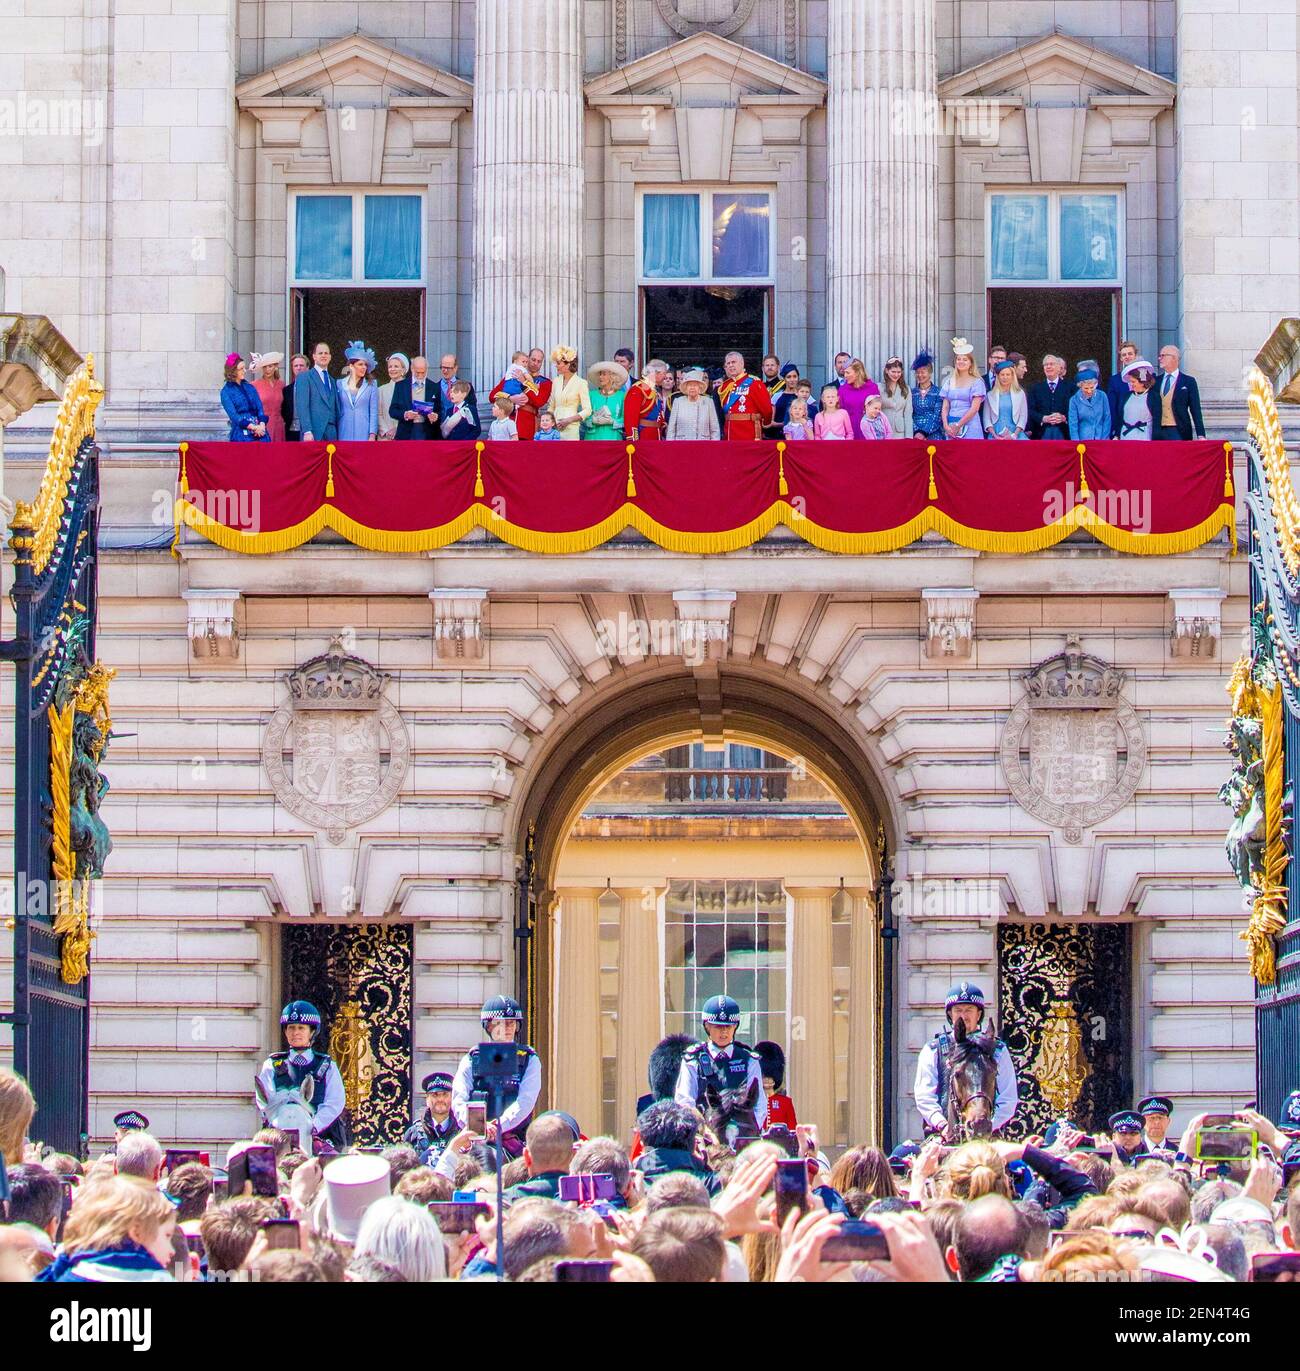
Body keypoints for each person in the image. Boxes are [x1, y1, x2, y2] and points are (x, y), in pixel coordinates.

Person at [912, 982, 1018, 1137]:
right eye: (958, 1010)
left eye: (969, 1010)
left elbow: (1008, 1098)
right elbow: (924, 1096)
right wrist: (942, 1125)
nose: (963, 1015)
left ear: (979, 1014)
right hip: (943, 1136)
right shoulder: (934, 1050)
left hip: (989, 1135)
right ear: (950, 1014)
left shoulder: (997, 1050)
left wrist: (989, 1125)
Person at [37, 1176, 177, 1283]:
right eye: (167, 1235)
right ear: (136, 1231)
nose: (172, 1250)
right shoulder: (161, 1278)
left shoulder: (65, 1274)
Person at [451, 995, 541, 1160]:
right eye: (499, 1023)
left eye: (511, 1023)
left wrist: (499, 1125)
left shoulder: (529, 1059)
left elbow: (526, 1101)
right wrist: (479, 1126)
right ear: (488, 1026)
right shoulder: (472, 1058)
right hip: (475, 1137)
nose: (506, 1028)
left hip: (514, 1138)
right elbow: (459, 1098)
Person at [256, 1000, 347, 1150]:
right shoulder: (271, 1064)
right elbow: (265, 1101)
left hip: (319, 1134)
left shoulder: (327, 1066)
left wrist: (312, 1126)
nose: (295, 1032)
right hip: (279, 1134)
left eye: (301, 1028)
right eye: (291, 1028)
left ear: (312, 1031)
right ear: (285, 1031)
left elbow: (334, 1102)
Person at [674, 994, 766, 1132]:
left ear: (735, 1026)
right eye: (718, 1026)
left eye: (728, 1027)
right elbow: (684, 1102)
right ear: (707, 1026)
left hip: (742, 1134)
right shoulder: (693, 1060)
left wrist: (746, 1133)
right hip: (704, 1134)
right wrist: (705, 1133)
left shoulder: (749, 1060)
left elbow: (759, 1105)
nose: (724, 1032)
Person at [491, 349, 552, 441]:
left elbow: (539, 402)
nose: (535, 363)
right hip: (508, 422)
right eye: (533, 359)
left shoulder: (545, 382)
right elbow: (492, 396)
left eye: (539, 361)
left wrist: (524, 382)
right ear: (528, 359)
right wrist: (510, 398)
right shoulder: (512, 375)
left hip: (526, 424)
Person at [403, 1072, 458, 1165]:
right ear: (427, 1099)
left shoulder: (461, 1131)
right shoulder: (414, 1133)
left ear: (452, 1098)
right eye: (435, 1095)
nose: (440, 1099)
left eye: (445, 1094)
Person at [1154, 344, 1206, 439]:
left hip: (1179, 430)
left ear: (1174, 358)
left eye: (1163, 355)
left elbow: (1195, 409)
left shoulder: (1188, 381)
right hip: (1157, 431)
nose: (1159, 358)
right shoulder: (1155, 381)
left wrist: (1201, 434)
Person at [293, 341, 341, 443]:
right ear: (314, 357)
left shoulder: (332, 380)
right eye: (320, 353)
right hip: (313, 433)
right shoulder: (305, 377)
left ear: (330, 357)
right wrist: (307, 431)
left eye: (326, 353)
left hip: (331, 433)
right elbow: (302, 406)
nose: (323, 355)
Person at [718, 351, 773, 440]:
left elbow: (766, 409)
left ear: (742, 363)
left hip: (749, 432)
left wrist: (766, 423)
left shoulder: (754, 383)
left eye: (734, 362)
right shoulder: (725, 386)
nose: (731, 365)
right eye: (728, 363)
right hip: (729, 433)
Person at [939, 340, 986, 440]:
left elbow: (974, 409)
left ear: (970, 363)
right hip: (951, 426)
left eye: (965, 359)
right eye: (959, 359)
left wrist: (959, 425)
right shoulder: (949, 381)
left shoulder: (977, 382)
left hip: (970, 426)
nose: (961, 362)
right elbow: (945, 406)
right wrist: (946, 425)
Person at [219, 354, 269, 442]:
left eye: (244, 368)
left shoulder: (250, 387)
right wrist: (253, 427)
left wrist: (261, 425)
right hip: (241, 433)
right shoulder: (226, 392)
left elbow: (259, 407)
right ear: (232, 371)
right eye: (241, 369)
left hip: (260, 430)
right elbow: (234, 416)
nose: (245, 371)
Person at [389, 355, 439, 441]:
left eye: (423, 373)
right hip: (406, 432)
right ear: (412, 369)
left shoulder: (434, 387)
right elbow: (392, 411)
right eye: (417, 372)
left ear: (427, 370)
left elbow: (439, 410)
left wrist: (435, 416)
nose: (420, 376)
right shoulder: (401, 386)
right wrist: (405, 415)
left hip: (427, 432)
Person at [337, 341, 379, 441]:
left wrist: (372, 435)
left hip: (364, 432)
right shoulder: (339, 383)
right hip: (344, 430)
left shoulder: (372, 384)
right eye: (360, 364)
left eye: (365, 365)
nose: (364, 367)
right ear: (351, 366)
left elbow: (373, 411)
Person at [548, 345, 591, 440]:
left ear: (567, 364)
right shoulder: (555, 381)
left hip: (571, 428)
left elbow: (588, 410)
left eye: (558, 363)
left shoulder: (581, 383)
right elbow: (551, 407)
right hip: (553, 429)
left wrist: (568, 420)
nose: (556, 365)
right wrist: (549, 422)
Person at [665, 367, 720, 441]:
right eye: (689, 385)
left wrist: (714, 448)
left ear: (700, 387)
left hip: (704, 446)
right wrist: (671, 448)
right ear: (686, 387)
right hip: (682, 445)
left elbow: (715, 430)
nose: (692, 388)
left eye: (695, 385)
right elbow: (671, 430)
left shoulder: (708, 402)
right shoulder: (677, 402)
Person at [1028, 354, 1074, 440]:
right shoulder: (1035, 388)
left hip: (1065, 433)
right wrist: (1043, 418)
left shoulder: (1071, 387)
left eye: (1051, 364)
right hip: (1041, 433)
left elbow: (1076, 410)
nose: (1048, 366)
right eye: (1046, 365)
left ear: (1059, 368)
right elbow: (1030, 410)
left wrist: (1064, 418)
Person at [755, 1041, 797, 1131]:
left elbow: (792, 1132)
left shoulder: (785, 1103)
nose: (766, 1080)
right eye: (764, 1076)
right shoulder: (751, 1103)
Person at [982, 359, 1027, 439]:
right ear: (998, 376)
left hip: (1016, 434)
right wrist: (994, 435)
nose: (1005, 377)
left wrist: (1014, 435)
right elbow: (986, 418)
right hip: (995, 434)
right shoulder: (990, 395)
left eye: (1008, 374)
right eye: (1002, 374)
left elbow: (1023, 416)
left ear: (1012, 376)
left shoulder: (1020, 394)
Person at [583, 361, 628, 439]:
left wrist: (612, 421)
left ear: (613, 376)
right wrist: (592, 420)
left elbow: (627, 420)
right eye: (600, 374)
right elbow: (583, 418)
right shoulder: (591, 395)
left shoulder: (622, 396)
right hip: (592, 439)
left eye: (604, 374)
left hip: (614, 438)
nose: (600, 377)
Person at [837, 358, 880, 439]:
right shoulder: (842, 390)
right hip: (849, 434)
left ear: (857, 372)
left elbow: (877, 412)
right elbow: (839, 414)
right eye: (844, 372)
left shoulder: (873, 388)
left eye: (848, 372)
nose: (845, 375)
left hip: (869, 433)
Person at [1116, 358, 1158, 440]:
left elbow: (1157, 421)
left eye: (1133, 382)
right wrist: (1117, 435)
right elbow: (1120, 418)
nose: (1131, 384)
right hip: (1125, 436)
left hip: (1144, 437)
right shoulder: (1126, 396)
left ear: (1142, 382)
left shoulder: (1153, 397)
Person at [624, 362, 668, 440]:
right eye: (663, 374)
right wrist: (633, 440)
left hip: (656, 436)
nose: (665, 377)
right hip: (643, 437)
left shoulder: (654, 390)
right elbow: (630, 418)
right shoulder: (637, 390)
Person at [249, 352, 286, 442]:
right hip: (262, 425)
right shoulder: (254, 385)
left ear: (276, 366)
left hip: (279, 425)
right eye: (264, 367)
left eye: (270, 366)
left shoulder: (282, 385)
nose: (267, 370)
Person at [1068, 366, 1112, 441]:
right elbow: (1073, 424)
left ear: (1096, 384)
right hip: (1083, 439)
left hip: (1101, 438)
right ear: (1080, 386)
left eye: (1092, 387)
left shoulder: (1102, 396)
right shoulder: (1074, 400)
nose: (1089, 391)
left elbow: (1107, 418)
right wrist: (1076, 443)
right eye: (1086, 388)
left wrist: (1104, 439)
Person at [911, 352, 943, 441]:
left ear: (930, 373)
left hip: (934, 436)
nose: (920, 375)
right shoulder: (911, 393)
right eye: (917, 372)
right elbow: (909, 414)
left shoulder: (938, 392)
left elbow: (938, 416)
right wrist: (916, 432)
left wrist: (924, 432)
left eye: (923, 372)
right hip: (915, 436)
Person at [376, 353, 408, 440]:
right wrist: (386, 431)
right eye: (390, 367)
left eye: (396, 366)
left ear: (404, 370)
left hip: (404, 437)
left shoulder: (410, 389)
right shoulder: (380, 390)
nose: (392, 369)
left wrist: (398, 430)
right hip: (386, 438)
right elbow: (378, 414)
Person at [1106, 340, 1139, 424]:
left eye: (1130, 354)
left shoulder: (1147, 376)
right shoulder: (1115, 381)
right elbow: (1113, 408)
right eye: (1124, 355)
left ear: (1136, 355)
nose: (1127, 357)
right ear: (1121, 358)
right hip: (1123, 425)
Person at [879, 356, 913, 437]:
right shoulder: (879, 387)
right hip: (883, 430)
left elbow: (908, 414)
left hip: (900, 432)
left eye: (899, 372)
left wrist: (908, 437)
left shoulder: (906, 389)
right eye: (893, 372)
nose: (896, 375)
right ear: (887, 370)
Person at [436, 354, 475, 421]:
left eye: (448, 368)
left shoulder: (466, 387)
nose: (445, 370)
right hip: (439, 429)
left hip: (461, 429)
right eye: (443, 367)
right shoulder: (433, 388)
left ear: (455, 368)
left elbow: (472, 409)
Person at [281, 353, 309, 441]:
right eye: (296, 366)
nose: (299, 368)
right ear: (292, 368)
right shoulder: (286, 390)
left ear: (307, 368)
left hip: (309, 432)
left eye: (301, 365)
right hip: (291, 432)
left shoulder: (314, 388)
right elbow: (284, 411)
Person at [772, 362, 803, 427]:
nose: (792, 380)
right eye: (789, 377)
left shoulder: (803, 395)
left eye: (794, 376)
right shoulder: (777, 396)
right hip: (778, 434)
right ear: (784, 379)